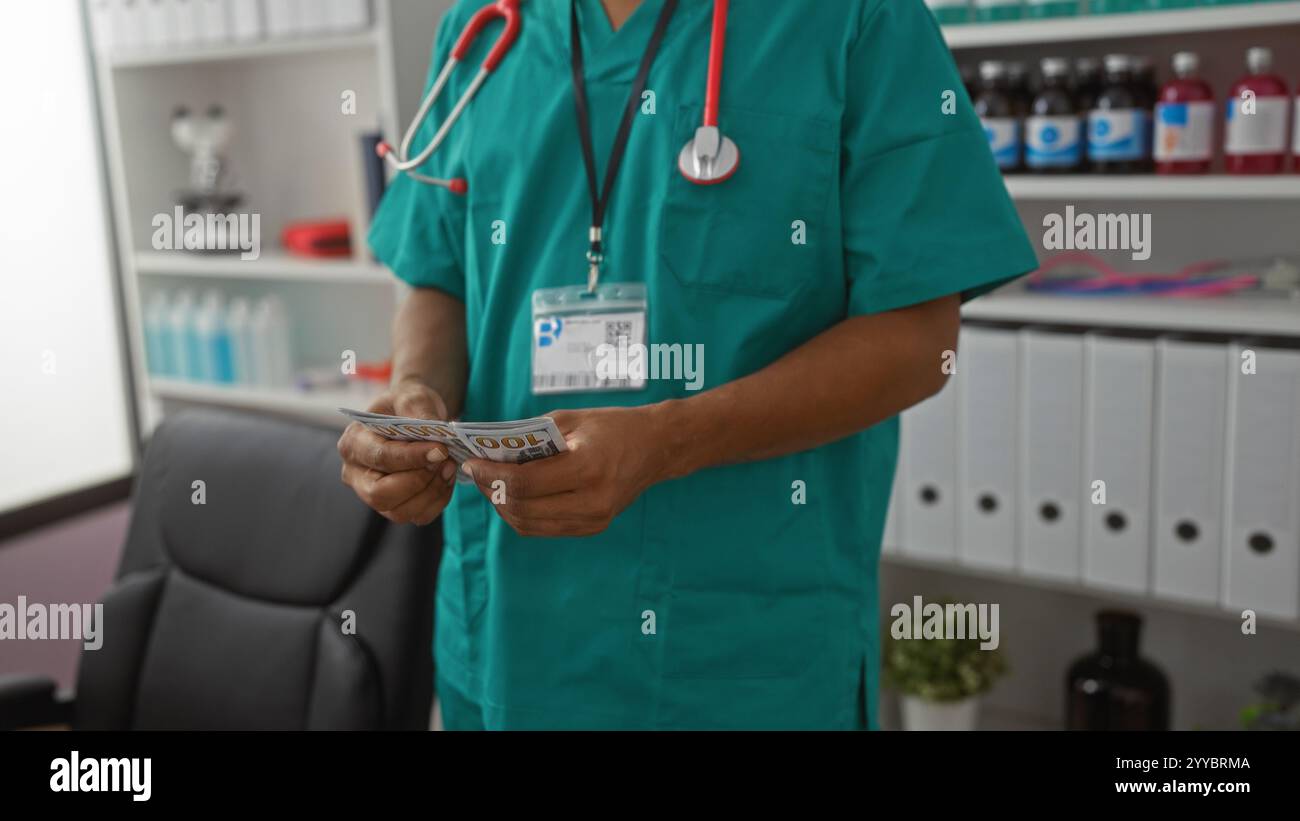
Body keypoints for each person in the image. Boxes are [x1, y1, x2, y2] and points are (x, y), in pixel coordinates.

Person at [340, 0, 1036, 729]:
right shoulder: (485, 25)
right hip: (507, 634)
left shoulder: (857, 20)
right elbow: (439, 273)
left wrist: (666, 440)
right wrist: (419, 392)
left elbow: (920, 339)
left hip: (739, 656)